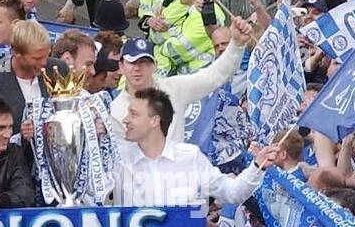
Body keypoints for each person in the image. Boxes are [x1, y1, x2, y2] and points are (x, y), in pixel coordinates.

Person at [112, 88, 281, 207]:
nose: (125, 119)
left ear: (155, 121)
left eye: (133, 114)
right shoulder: (118, 161)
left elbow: (232, 193)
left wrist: (257, 166)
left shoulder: (189, 157)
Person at [107, 17, 252, 150]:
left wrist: (236, 45)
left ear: (155, 66)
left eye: (144, 62)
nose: (137, 68)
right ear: (121, 66)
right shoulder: (115, 109)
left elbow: (214, 77)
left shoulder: (173, 88)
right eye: (132, 62)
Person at [0, 19, 65, 135]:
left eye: (47, 56)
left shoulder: (58, 69)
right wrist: (20, 135)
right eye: (37, 58)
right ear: (16, 53)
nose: (44, 63)